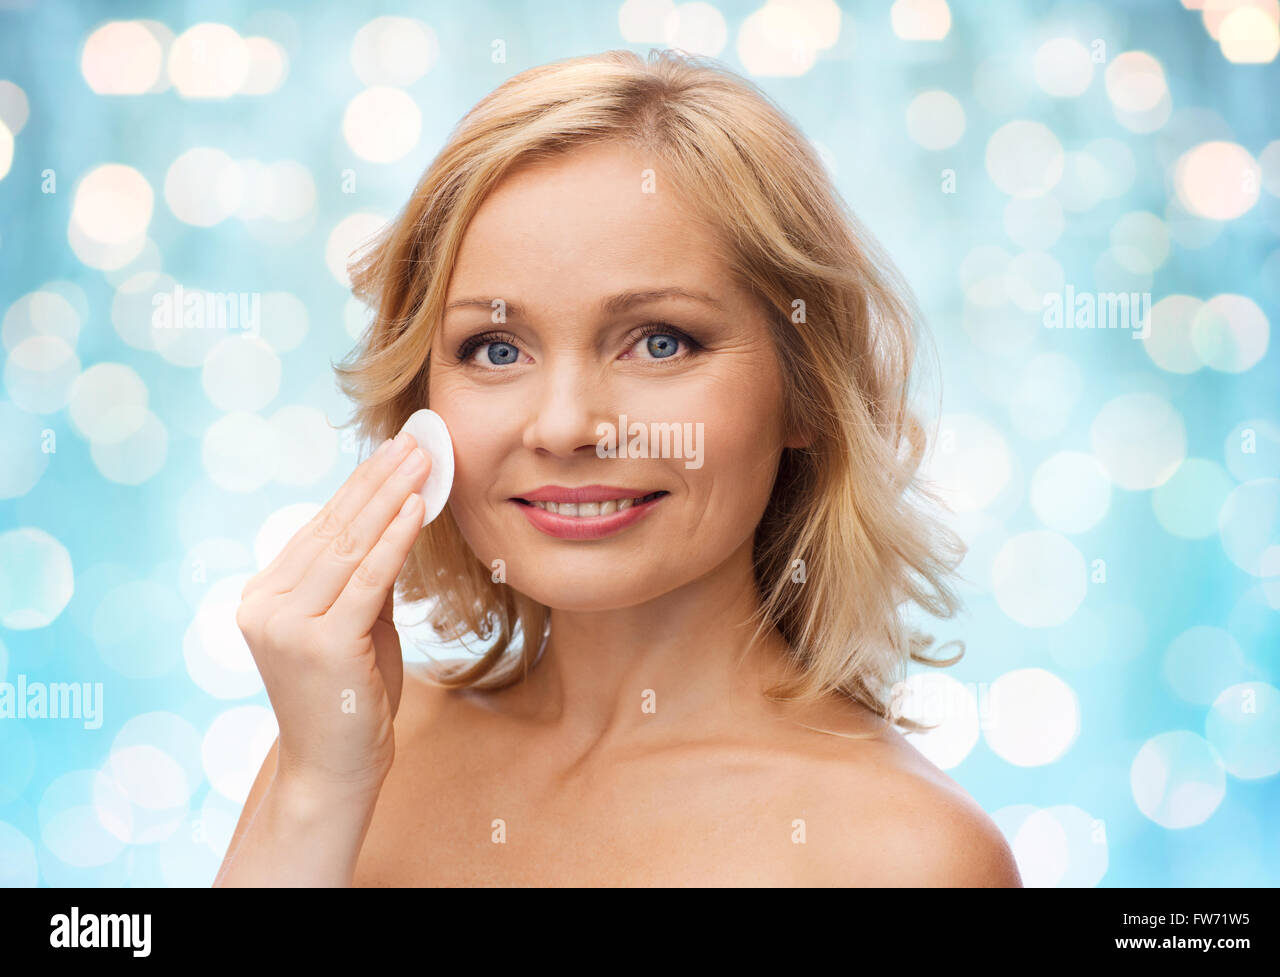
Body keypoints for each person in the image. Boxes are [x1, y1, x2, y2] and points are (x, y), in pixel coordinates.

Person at [215, 48, 1022, 887]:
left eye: (660, 341)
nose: (564, 426)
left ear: (807, 393)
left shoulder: (905, 853)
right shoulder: (346, 750)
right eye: (495, 348)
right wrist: (319, 790)